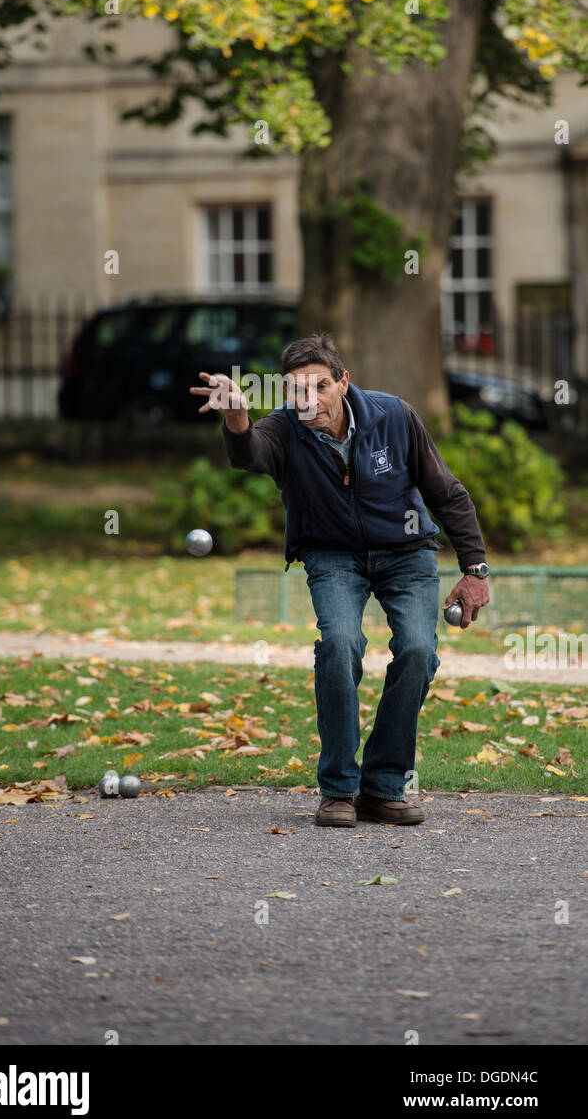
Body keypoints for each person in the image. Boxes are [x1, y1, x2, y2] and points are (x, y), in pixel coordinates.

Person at [190, 332, 490, 828]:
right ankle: (338, 790)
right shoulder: (285, 430)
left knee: (418, 650)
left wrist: (474, 569)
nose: (309, 400)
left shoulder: (393, 416)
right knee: (339, 644)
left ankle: (385, 785)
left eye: (320, 387)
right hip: (332, 555)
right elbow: (249, 454)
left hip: (406, 550)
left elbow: (447, 492)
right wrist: (236, 416)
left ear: (343, 383)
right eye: (296, 390)